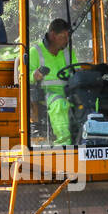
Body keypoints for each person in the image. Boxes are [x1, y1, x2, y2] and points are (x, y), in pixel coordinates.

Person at [26, 18, 75, 146]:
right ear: (53, 35)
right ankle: (64, 144)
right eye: (63, 36)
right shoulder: (36, 51)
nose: (66, 40)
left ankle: (92, 138)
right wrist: (34, 75)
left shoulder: (67, 52)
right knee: (59, 103)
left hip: (69, 92)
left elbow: (77, 70)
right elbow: (23, 74)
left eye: (67, 36)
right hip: (46, 94)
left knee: (91, 100)